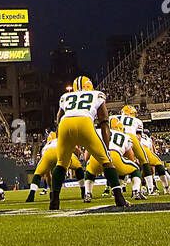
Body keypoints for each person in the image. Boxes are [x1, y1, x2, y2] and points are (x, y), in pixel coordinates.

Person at [49, 76, 127, 209]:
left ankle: (54, 201)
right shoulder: (97, 94)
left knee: (61, 164)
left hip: (65, 124)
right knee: (106, 161)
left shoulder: (65, 97)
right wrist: (106, 148)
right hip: (85, 122)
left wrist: (63, 141)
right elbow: (104, 122)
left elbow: (58, 120)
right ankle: (119, 198)